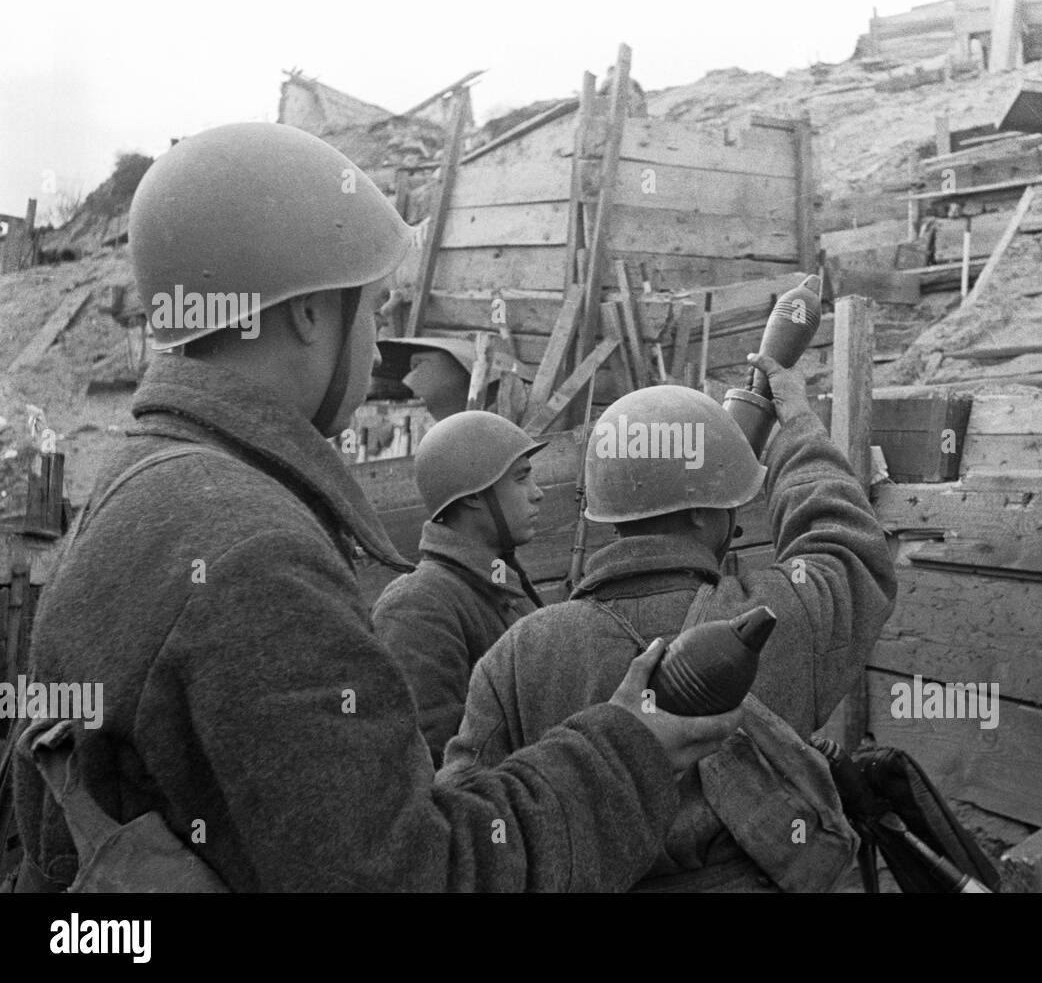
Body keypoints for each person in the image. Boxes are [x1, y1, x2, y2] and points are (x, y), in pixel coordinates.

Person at [9, 122, 738, 893]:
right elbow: (417, 876)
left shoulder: (141, 487)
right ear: (310, 313)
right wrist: (631, 754)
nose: (376, 343)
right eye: (375, 309)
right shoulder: (253, 557)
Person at [442, 371, 898, 892]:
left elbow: (464, 821)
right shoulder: (781, 613)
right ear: (707, 517)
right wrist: (795, 422)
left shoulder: (517, 653)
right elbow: (848, 547)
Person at [372, 412, 545, 765]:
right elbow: (431, 762)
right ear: (474, 496)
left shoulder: (503, 583)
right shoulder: (418, 607)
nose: (537, 494)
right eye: (521, 478)